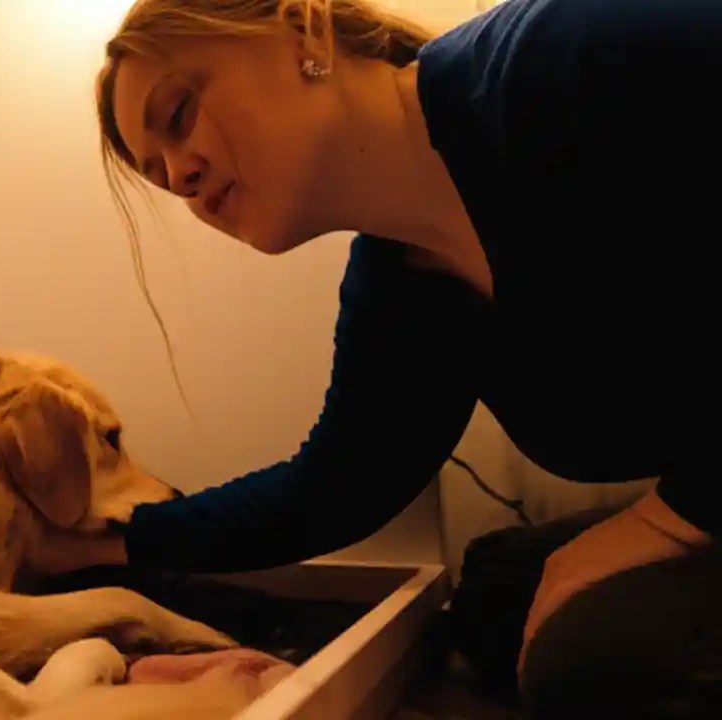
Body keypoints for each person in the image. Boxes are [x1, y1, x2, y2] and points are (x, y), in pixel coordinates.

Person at [89, 0, 721, 717]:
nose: (182, 177)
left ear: (304, 29)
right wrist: (113, 542)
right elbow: (335, 487)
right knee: (493, 593)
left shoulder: (568, 54)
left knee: (588, 657)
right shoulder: (400, 282)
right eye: (160, 175)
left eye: (179, 115)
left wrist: (671, 518)